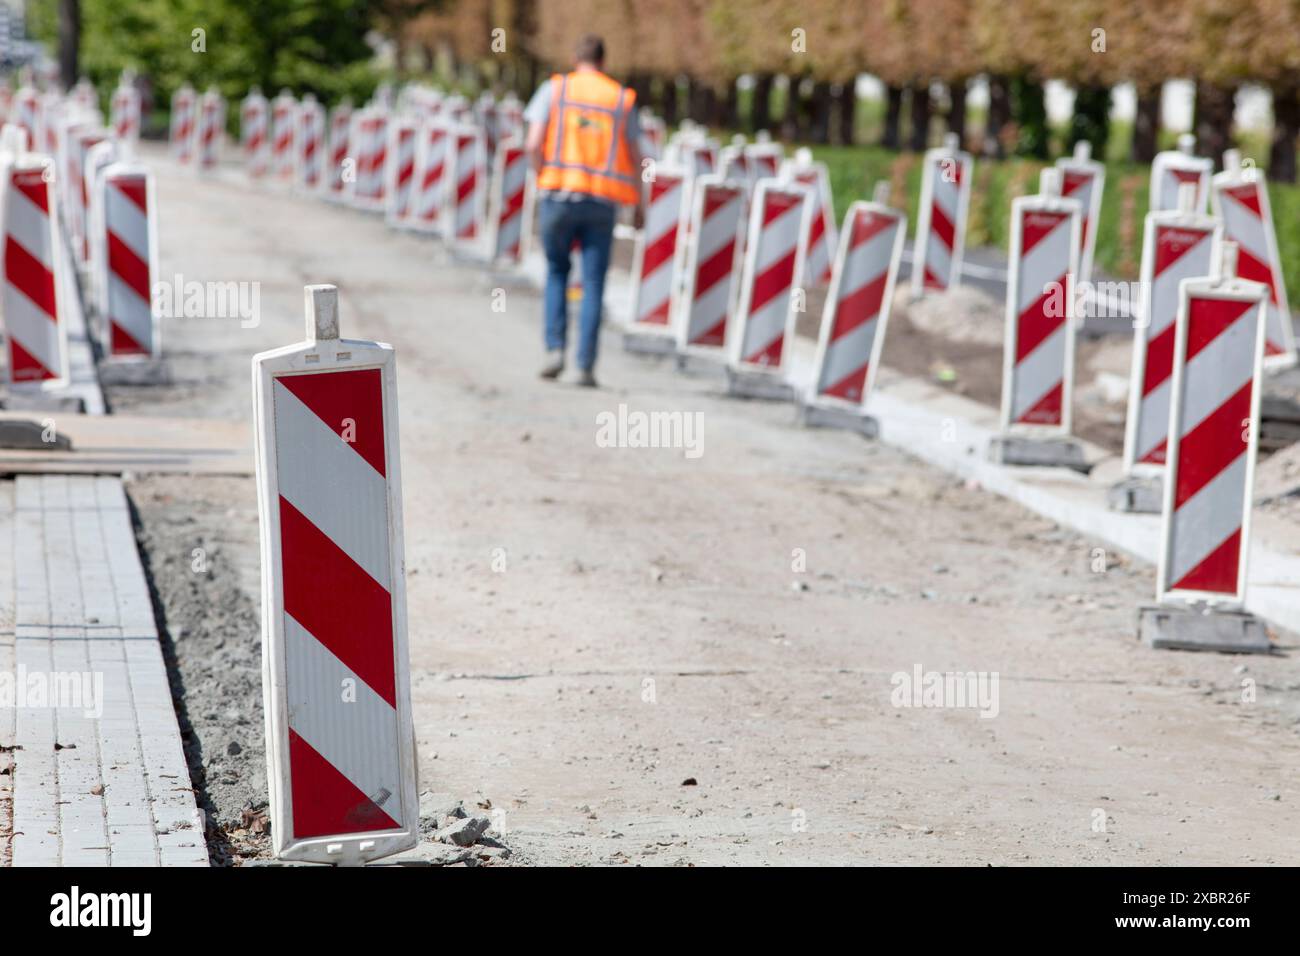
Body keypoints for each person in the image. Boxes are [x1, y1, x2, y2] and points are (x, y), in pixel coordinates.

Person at [524, 34, 642, 387]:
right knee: (593, 283)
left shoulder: (556, 89)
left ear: (576, 58)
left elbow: (532, 143)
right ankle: (586, 366)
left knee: (558, 272)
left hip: (558, 196)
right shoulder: (620, 97)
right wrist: (641, 203)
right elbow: (637, 157)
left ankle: (554, 350)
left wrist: (542, 176)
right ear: (603, 62)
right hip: (602, 203)